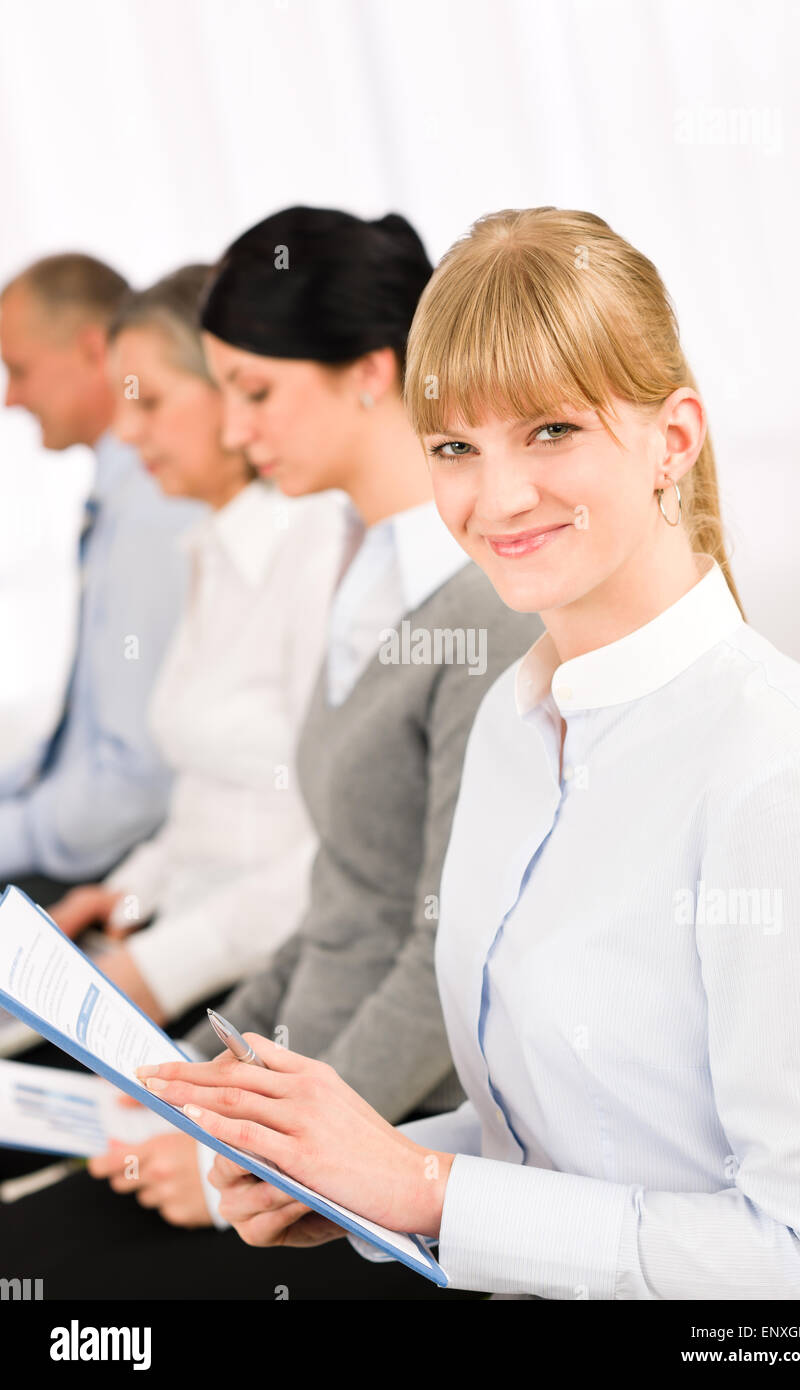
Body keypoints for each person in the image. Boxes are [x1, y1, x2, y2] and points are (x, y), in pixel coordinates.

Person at [145, 207, 800, 1302]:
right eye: (452, 449)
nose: (496, 498)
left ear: (673, 437)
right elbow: (547, 1141)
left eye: (549, 431)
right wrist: (344, 1184)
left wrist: (425, 1185)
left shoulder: (779, 777)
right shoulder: (512, 723)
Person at [0, 208, 539, 1301]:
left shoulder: (475, 601)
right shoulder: (353, 564)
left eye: (255, 391)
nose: (235, 431)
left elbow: (437, 962)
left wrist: (242, 1146)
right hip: (302, 1082)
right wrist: (205, 1088)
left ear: (366, 374)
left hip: (359, 1127)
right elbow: (339, 902)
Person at [45, 264, 343, 1029]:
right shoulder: (208, 549)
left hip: (252, 986)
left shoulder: (316, 555)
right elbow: (204, 801)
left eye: (149, 400)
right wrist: (130, 890)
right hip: (178, 949)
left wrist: (156, 968)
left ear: (230, 387)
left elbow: (334, 855)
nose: (127, 429)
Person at [0, 254, 201, 895]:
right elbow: (88, 742)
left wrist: (14, 832)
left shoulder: (152, 502)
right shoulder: (124, 494)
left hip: (112, 864)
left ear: (93, 350)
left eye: (19, 369)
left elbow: (132, 780)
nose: (11, 397)